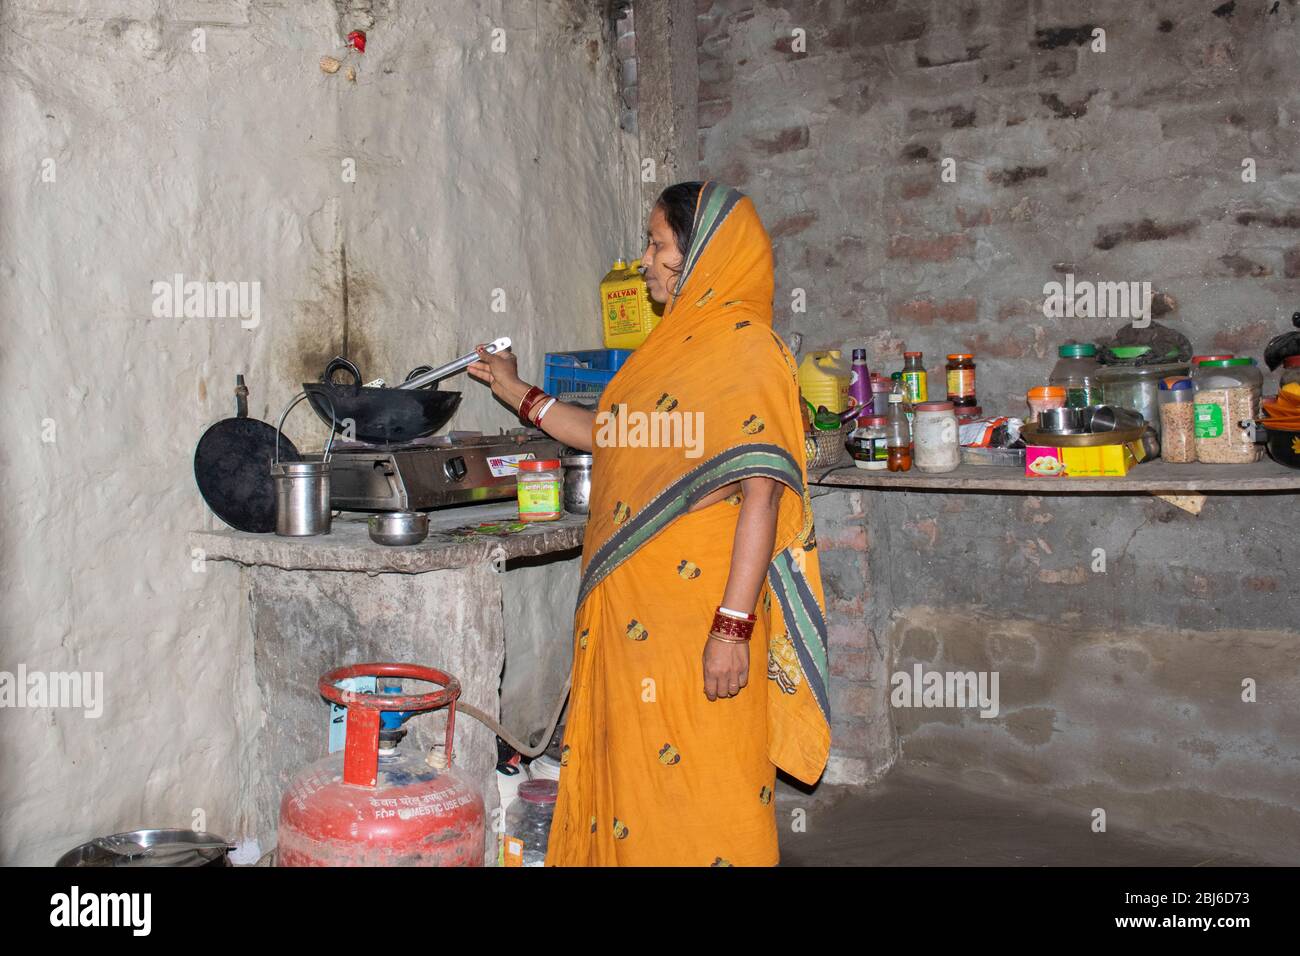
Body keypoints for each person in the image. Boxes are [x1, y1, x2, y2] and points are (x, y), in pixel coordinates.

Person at [467, 181, 830, 866]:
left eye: (657, 243)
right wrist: (517, 391)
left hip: (701, 617)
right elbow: (610, 434)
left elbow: (763, 497)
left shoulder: (749, 353)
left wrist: (732, 628)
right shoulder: (668, 350)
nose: (644, 259)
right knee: (633, 787)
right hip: (633, 616)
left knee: (705, 786)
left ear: (701, 255)